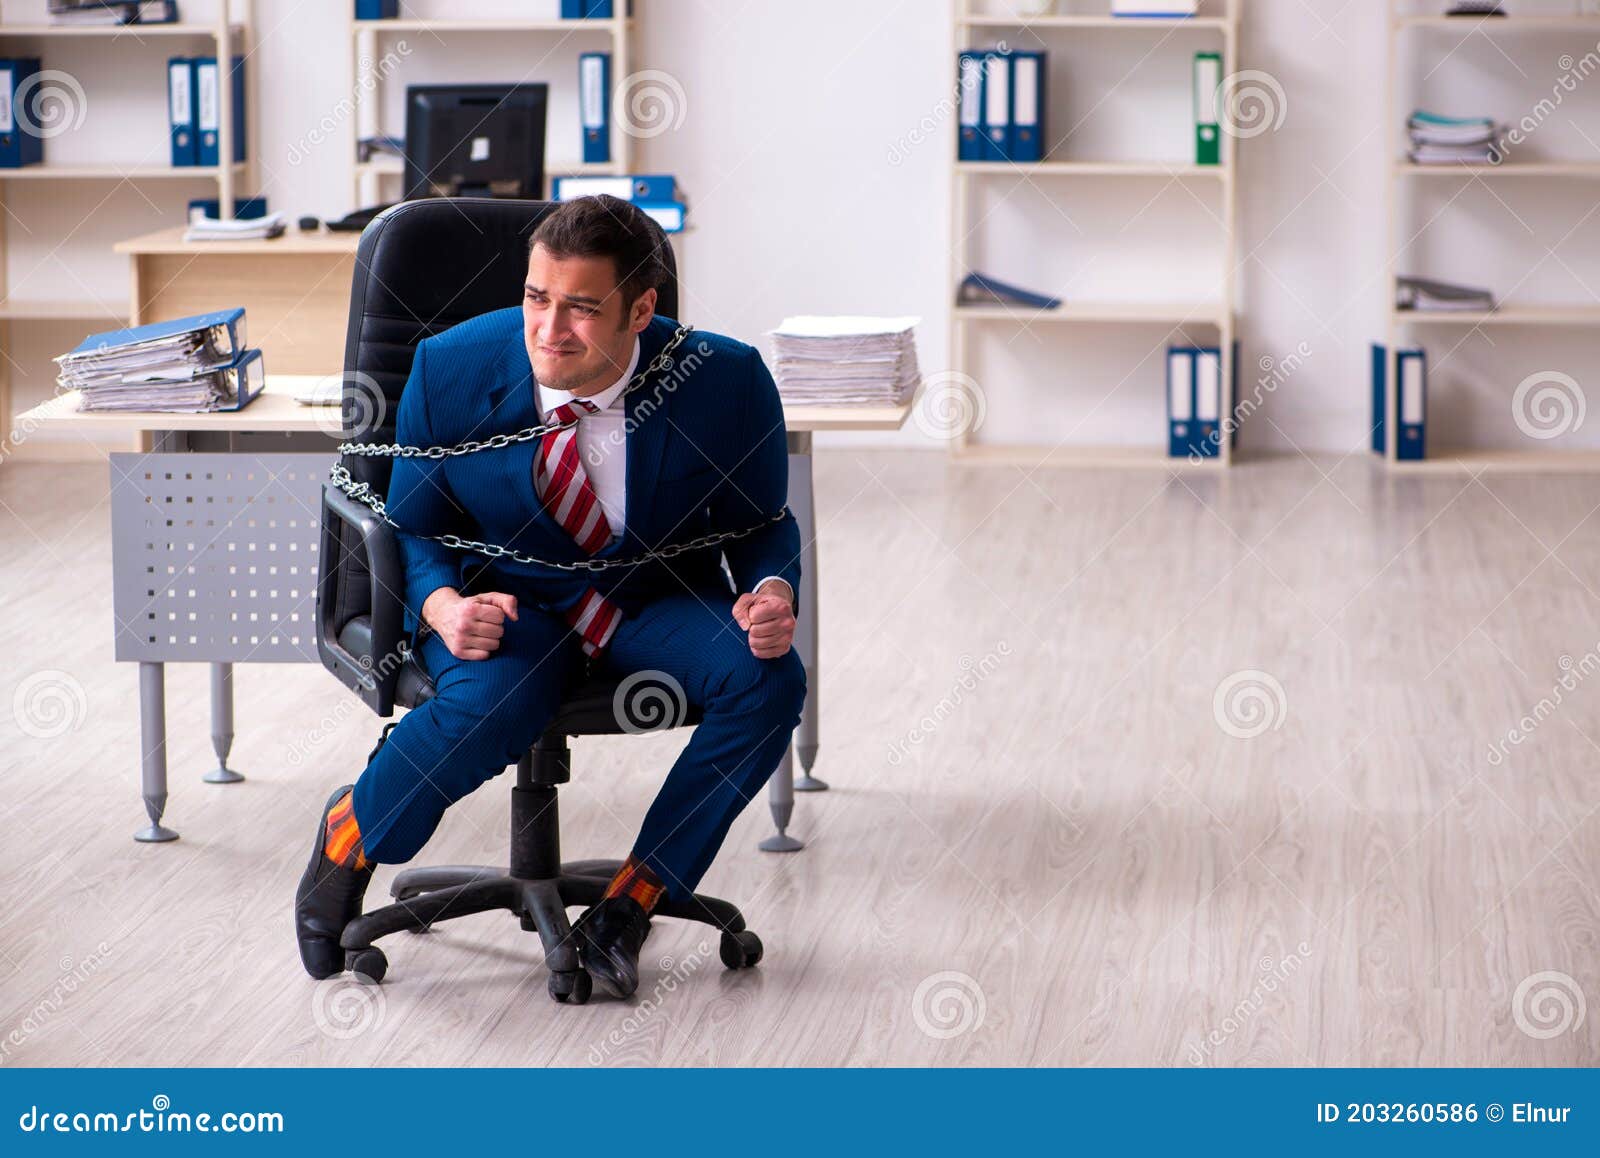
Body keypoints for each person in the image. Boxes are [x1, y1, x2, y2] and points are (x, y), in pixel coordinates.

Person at [295, 195, 804, 998]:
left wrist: (772, 591)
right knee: (500, 696)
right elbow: (416, 523)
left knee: (768, 678)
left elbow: (763, 524)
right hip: (510, 600)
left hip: (647, 599)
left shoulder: (726, 379)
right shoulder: (452, 365)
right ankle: (351, 830)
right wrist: (438, 609)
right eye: (537, 297)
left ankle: (632, 901)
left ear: (642, 308)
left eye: (581, 308)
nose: (548, 329)